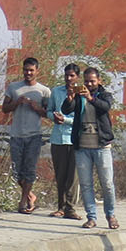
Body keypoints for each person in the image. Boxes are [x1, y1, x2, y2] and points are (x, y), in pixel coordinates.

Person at [61, 65, 118, 230]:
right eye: (86, 81)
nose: (89, 84)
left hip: (101, 146)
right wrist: (71, 97)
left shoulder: (104, 95)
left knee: (107, 183)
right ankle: (91, 217)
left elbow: (105, 107)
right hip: (82, 146)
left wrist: (91, 98)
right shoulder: (79, 95)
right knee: (86, 184)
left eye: (92, 81)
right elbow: (66, 110)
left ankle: (110, 214)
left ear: (99, 81)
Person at [1, 56, 50, 214]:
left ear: (37, 71)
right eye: (25, 70)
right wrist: (17, 102)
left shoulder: (44, 91)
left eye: (31, 70)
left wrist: (36, 107)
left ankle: (23, 202)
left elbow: (48, 113)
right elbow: (5, 108)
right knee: (17, 172)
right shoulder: (14, 88)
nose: (28, 73)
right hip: (16, 135)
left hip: (34, 135)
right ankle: (30, 195)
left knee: (29, 169)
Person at [47, 63, 80, 218]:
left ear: (77, 77)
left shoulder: (81, 93)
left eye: (72, 75)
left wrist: (65, 119)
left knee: (73, 176)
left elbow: (82, 118)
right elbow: (48, 110)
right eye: (67, 75)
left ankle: (71, 208)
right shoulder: (56, 91)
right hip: (58, 139)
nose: (69, 78)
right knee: (60, 175)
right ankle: (61, 207)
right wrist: (53, 116)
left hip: (74, 139)